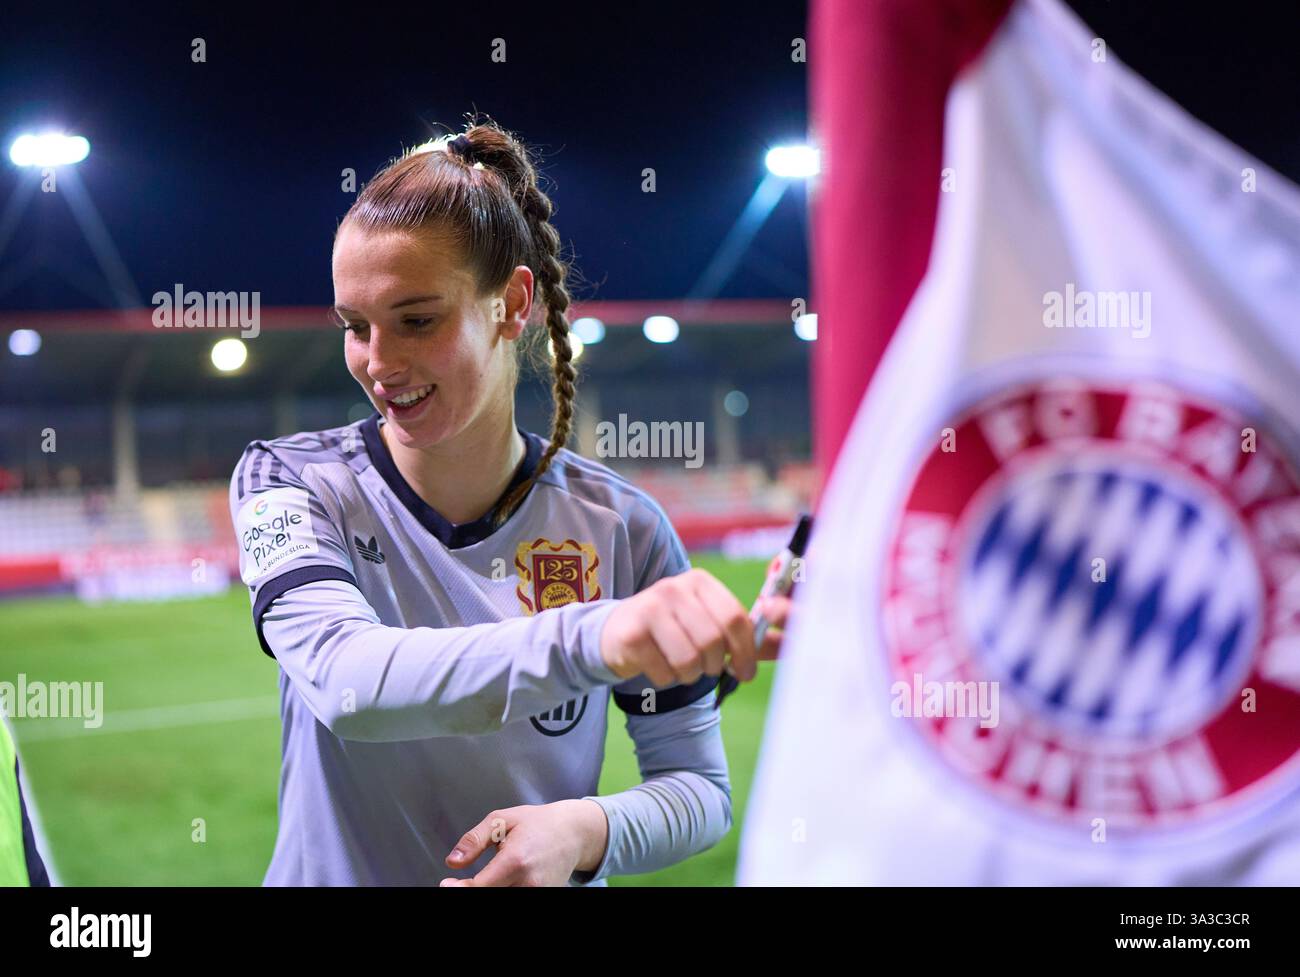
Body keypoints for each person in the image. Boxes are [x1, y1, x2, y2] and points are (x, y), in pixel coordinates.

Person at [229, 120, 786, 886]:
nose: (379, 363)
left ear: (512, 303)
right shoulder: (287, 481)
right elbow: (345, 680)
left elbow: (699, 789)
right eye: (355, 327)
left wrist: (584, 831)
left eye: (417, 319)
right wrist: (599, 633)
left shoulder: (623, 528)